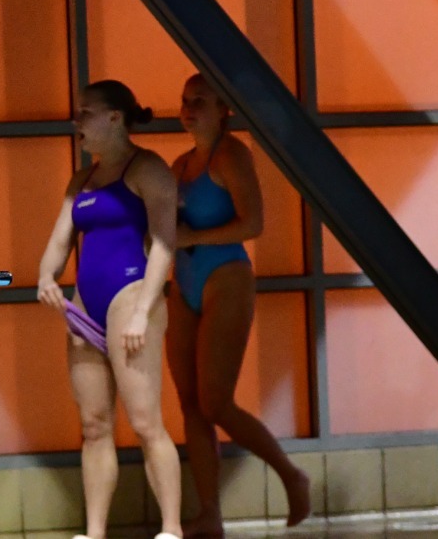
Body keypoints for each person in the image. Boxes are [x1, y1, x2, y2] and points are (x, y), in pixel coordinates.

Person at [36, 80, 183, 539]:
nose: (76, 121)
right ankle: (95, 531)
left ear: (115, 118)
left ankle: (172, 529)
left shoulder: (148, 169)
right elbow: (60, 240)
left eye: (86, 113)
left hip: (131, 296)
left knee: (144, 421)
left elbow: (165, 243)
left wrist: (143, 311)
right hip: (87, 304)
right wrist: (45, 278)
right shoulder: (81, 180)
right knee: (94, 424)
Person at [166, 75, 311, 530]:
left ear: (223, 109)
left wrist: (193, 237)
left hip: (224, 276)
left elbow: (253, 224)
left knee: (216, 402)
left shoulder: (231, 155)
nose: (189, 109)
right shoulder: (179, 165)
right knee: (190, 404)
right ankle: (209, 512)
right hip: (184, 281)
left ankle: (290, 474)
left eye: (200, 101)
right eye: (185, 101)